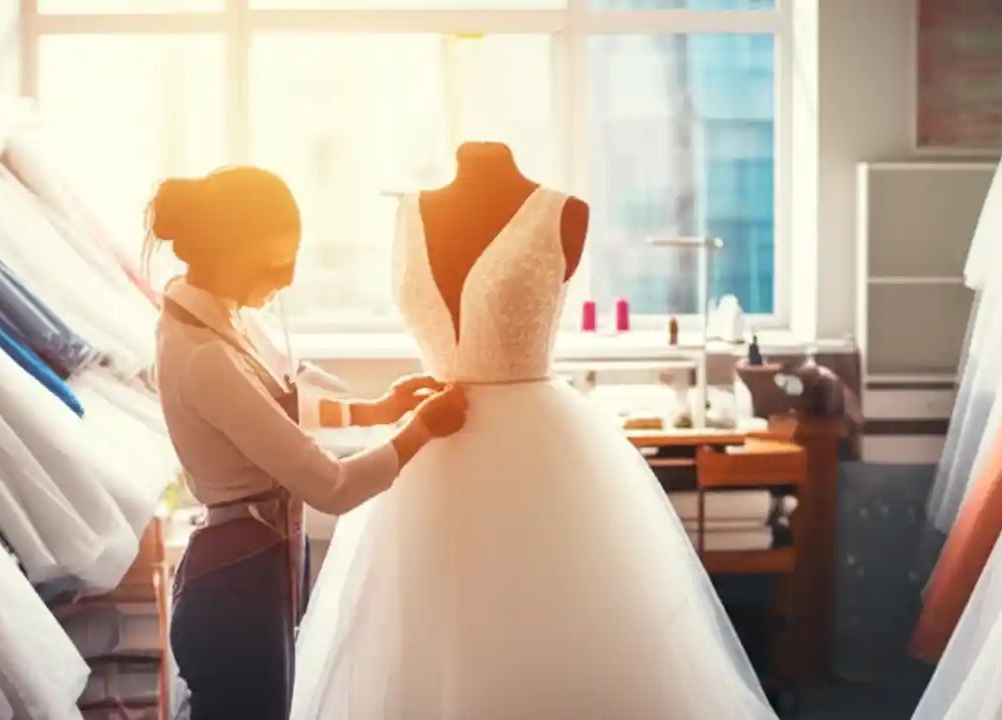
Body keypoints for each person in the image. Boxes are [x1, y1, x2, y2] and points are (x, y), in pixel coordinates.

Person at [291, 143, 776, 718]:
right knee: (424, 626)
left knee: (543, 613)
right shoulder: (409, 213)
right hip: (426, 449)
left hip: (534, 454)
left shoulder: (563, 212)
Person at [147, 165, 468, 720]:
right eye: (276, 264)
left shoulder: (224, 319)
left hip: (257, 572)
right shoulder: (204, 356)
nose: (290, 279)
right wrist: (417, 432)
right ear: (228, 253)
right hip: (234, 590)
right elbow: (332, 487)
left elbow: (278, 401)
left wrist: (376, 409)